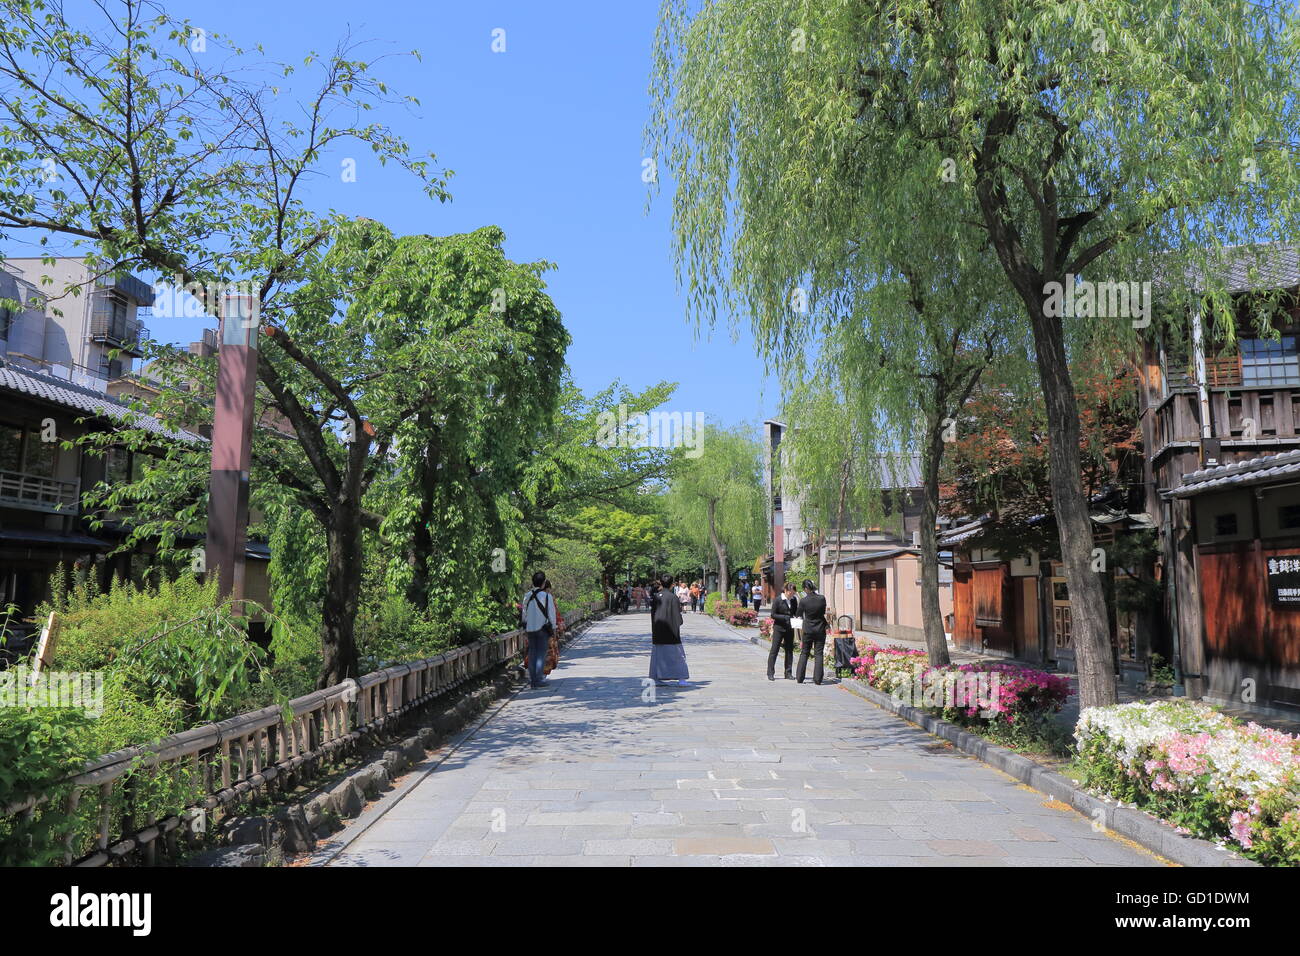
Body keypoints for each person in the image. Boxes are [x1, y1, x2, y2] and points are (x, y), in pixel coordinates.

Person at [650, 573, 690, 684]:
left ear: (661, 583)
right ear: (672, 585)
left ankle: (656, 678)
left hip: (658, 630)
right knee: (678, 656)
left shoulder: (656, 597)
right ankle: (681, 679)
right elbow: (677, 615)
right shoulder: (673, 598)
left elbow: (653, 615)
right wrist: (679, 623)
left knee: (658, 656)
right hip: (672, 631)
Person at [521, 570, 557, 688]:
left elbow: (524, 613)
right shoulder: (547, 596)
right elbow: (552, 614)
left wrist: (525, 625)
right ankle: (539, 679)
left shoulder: (527, 595)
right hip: (543, 629)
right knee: (541, 654)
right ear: (544, 582)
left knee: (532, 653)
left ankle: (533, 680)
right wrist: (554, 628)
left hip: (530, 629)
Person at [795, 579, 830, 685]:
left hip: (808, 629)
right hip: (820, 628)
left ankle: (800, 677)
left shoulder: (804, 601)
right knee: (818, 654)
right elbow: (822, 613)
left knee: (804, 652)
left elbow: (799, 614)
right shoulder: (822, 598)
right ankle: (818, 679)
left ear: (806, 588)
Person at [767, 582, 799, 681]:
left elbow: (795, 612)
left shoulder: (793, 600)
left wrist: (797, 617)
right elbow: (773, 614)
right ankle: (770, 672)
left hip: (789, 628)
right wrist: (784, 617)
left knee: (789, 650)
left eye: (793, 593)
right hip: (779, 628)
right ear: (785, 590)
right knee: (774, 650)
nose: (792, 595)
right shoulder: (778, 600)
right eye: (790, 593)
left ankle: (788, 672)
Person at [543, 580, 562, 677]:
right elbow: (554, 614)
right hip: (548, 629)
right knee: (548, 651)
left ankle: (537, 675)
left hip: (533, 629)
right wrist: (556, 627)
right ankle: (543, 673)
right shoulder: (549, 598)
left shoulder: (530, 596)